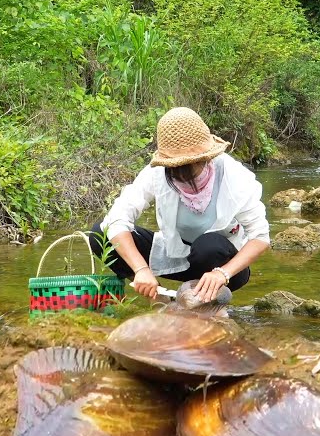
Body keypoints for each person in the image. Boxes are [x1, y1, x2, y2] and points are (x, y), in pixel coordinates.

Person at [90, 107, 270, 304]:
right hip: (177, 255)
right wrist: (140, 269)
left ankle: (202, 302)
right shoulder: (157, 172)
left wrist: (223, 273)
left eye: (189, 170)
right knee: (101, 234)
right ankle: (159, 298)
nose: (183, 179)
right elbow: (117, 219)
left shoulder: (233, 175)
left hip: (222, 266)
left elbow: (260, 237)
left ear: (206, 158)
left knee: (208, 246)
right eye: (174, 171)